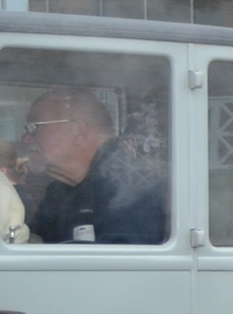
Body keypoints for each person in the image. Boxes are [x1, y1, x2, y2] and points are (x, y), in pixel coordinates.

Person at [19, 87, 167, 246]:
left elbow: (118, 266)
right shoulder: (60, 190)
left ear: (78, 131)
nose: (25, 139)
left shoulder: (128, 188)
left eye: (34, 127)